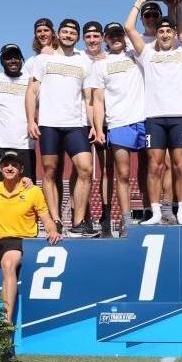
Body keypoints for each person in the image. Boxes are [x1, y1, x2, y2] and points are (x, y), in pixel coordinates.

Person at [126, 0, 182, 226]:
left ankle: (181, 212)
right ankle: (155, 213)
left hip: (179, 117)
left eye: (168, 31)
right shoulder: (147, 54)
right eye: (161, 31)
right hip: (154, 118)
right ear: (157, 35)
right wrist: (138, 2)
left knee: (181, 166)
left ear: (173, 33)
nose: (164, 34)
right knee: (155, 166)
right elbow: (129, 28)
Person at [24, 18, 99, 237]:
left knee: (85, 168)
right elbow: (31, 92)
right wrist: (31, 121)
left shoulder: (84, 61)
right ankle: (55, 221)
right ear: (58, 34)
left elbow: (89, 98)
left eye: (72, 33)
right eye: (65, 32)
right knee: (49, 171)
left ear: (77, 37)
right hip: (49, 124)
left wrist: (93, 125)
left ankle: (78, 223)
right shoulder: (43, 59)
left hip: (76, 124)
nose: (68, 35)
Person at [0, 151, 63, 323]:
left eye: (14, 165)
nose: (9, 168)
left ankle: (6, 321)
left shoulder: (33, 191)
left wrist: (52, 231)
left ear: (21, 169)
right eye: (6, 165)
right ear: (0, 168)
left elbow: (46, 219)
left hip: (21, 239)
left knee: (8, 263)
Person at [89, 22, 147, 237]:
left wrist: (137, 5)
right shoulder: (100, 65)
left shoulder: (137, 55)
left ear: (125, 37)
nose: (115, 39)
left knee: (149, 170)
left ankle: (150, 213)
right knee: (123, 173)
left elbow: (137, 32)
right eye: (111, 36)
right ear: (105, 39)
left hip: (144, 119)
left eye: (118, 35)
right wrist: (99, 129)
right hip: (118, 123)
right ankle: (126, 220)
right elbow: (97, 100)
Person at [0, 44, 38, 182]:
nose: (12, 60)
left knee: (27, 189)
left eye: (16, 57)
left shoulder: (31, 79)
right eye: (8, 57)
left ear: (21, 59)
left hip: (25, 146)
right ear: (1, 61)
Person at [83, 21, 115, 236]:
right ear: (83, 39)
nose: (92, 40)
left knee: (107, 170)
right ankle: (83, 216)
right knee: (82, 170)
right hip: (82, 122)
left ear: (103, 38)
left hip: (106, 121)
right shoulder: (78, 58)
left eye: (96, 36)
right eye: (88, 36)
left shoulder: (111, 59)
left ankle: (106, 216)